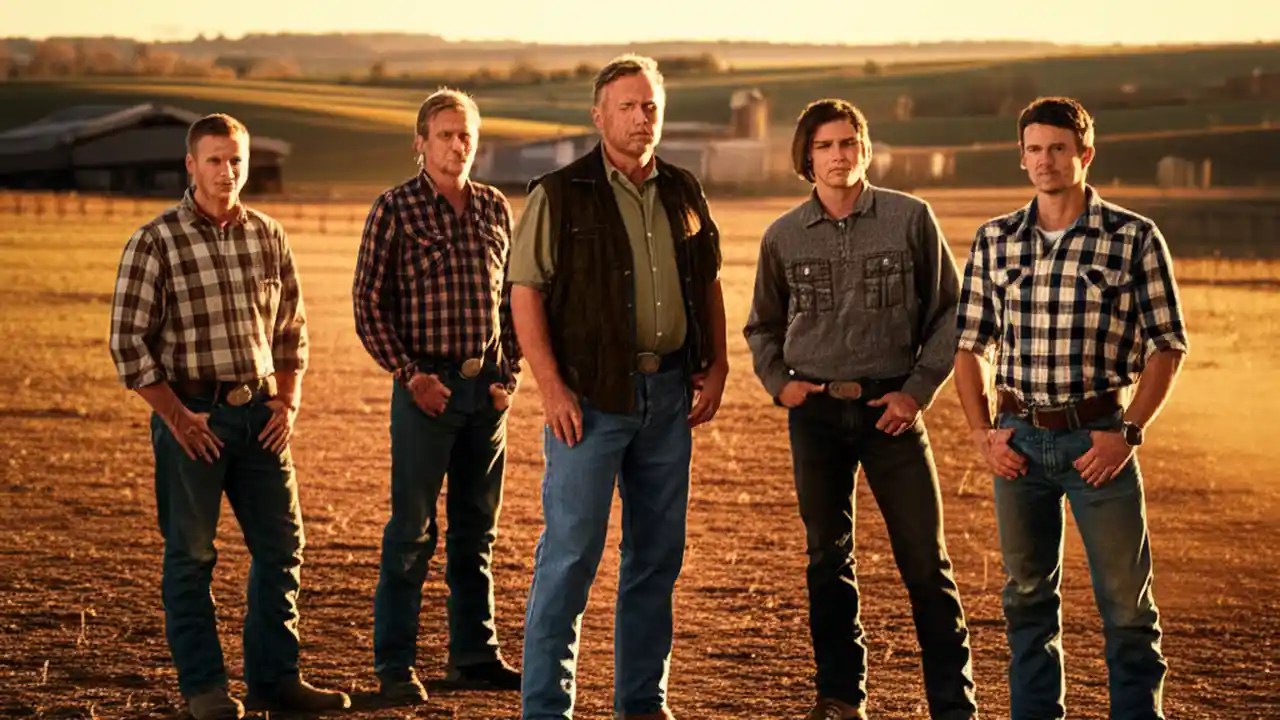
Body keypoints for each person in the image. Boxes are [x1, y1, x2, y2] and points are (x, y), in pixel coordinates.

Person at [954, 96, 1189, 720]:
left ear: (1085, 153)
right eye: (1034, 148)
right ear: (1022, 156)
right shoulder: (995, 240)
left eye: (1058, 147)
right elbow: (970, 346)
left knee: (1128, 608)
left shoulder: (1133, 238)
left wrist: (1128, 433)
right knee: (1026, 602)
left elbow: (1167, 347)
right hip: (1018, 444)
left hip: (1099, 444)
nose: (1045, 160)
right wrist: (985, 435)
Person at [108, 114, 349, 720]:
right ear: (190, 165)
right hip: (193, 420)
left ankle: (277, 680)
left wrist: (288, 400)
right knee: (191, 555)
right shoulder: (155, 240)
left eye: (236, 160)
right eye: (214, 160)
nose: (228, 171)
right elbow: (127, 342)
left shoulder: (268, 234)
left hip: (262, 418)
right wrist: (176, 417)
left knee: (283, 548)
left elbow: (292, 328)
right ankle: (205, 690)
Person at [509, 54, 728, 720]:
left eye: (651, 107)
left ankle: (641, 704)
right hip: (589, 401)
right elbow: (525, 292)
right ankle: (546, 709)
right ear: (598, 115)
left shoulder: (684, 190)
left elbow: (707, 282)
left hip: (667, 402)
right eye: (628, 107)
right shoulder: (560, 192)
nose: (641, 118)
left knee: (656, 559)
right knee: (571, 558)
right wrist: (551, 389)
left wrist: (716, 365)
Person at [744, 99, 978, 720]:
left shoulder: (909, 219)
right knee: (827, 558)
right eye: (825, 146)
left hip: (891, 411)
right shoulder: (783, 235)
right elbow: (762, 325)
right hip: (816, 413)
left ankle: (954, 706)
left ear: (865, 150)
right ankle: (841, 700)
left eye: (850, 143)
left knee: (925, 563)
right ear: (807, 157)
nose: (839, 155)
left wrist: (917, 390)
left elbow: (950, 312)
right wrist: (780, 384)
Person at [352, 88, 523, 704]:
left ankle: (474, 656)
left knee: (478, 530)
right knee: (412, 531)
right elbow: (368, 304)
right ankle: (395, 664)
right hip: (427, 390)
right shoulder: (394, 208)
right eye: (446, 134)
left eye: (466, 135)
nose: (458, 145)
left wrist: (510, 375)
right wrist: (408, 373)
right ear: (420, 143)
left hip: (488, 395)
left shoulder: (495, 207)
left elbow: (514, 299)